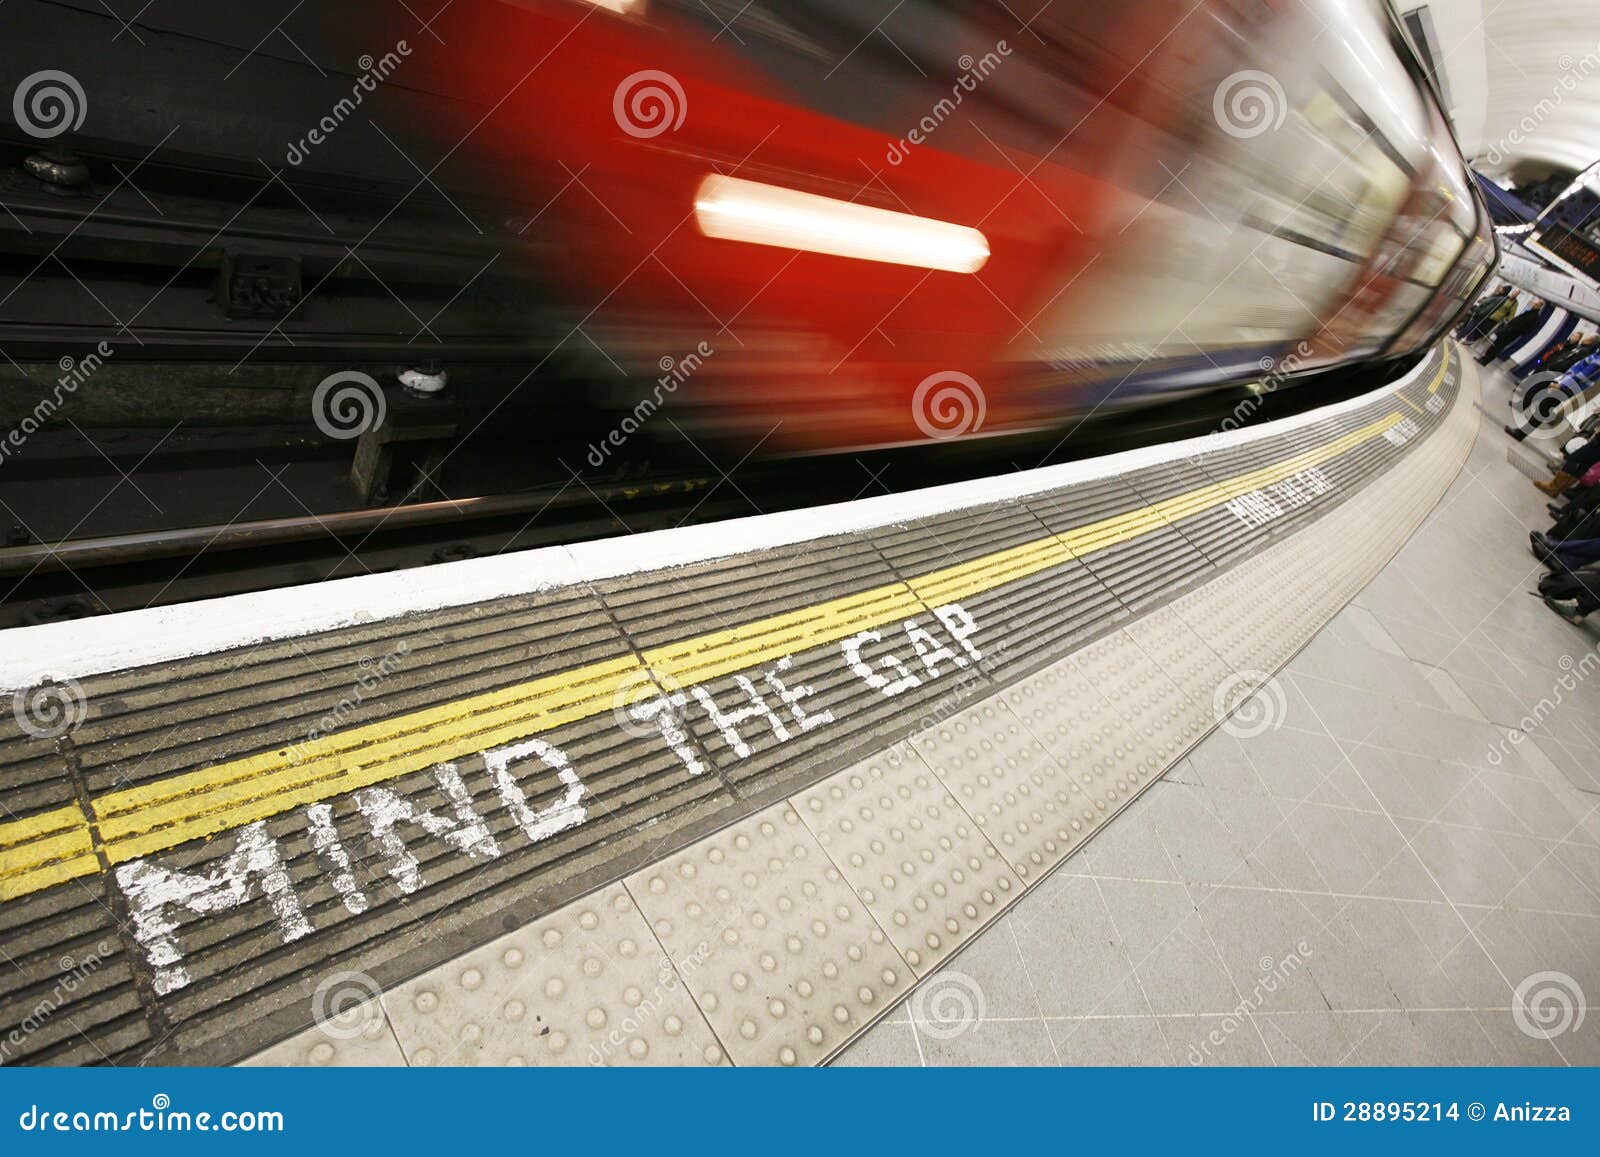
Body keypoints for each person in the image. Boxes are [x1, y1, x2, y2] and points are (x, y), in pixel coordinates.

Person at [1481, 298, 1545, 363]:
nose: (1534, 305)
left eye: (1536, 304)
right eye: (1535, 303)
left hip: (1512, 334)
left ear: (1539, 306)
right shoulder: (1529, 312)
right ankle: (1484, 358)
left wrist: (1516, 330)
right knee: (1495, 344)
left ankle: (1485, 361)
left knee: (1498, 347)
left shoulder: (1534, 316)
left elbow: (1528, 328)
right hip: (1509, 331)